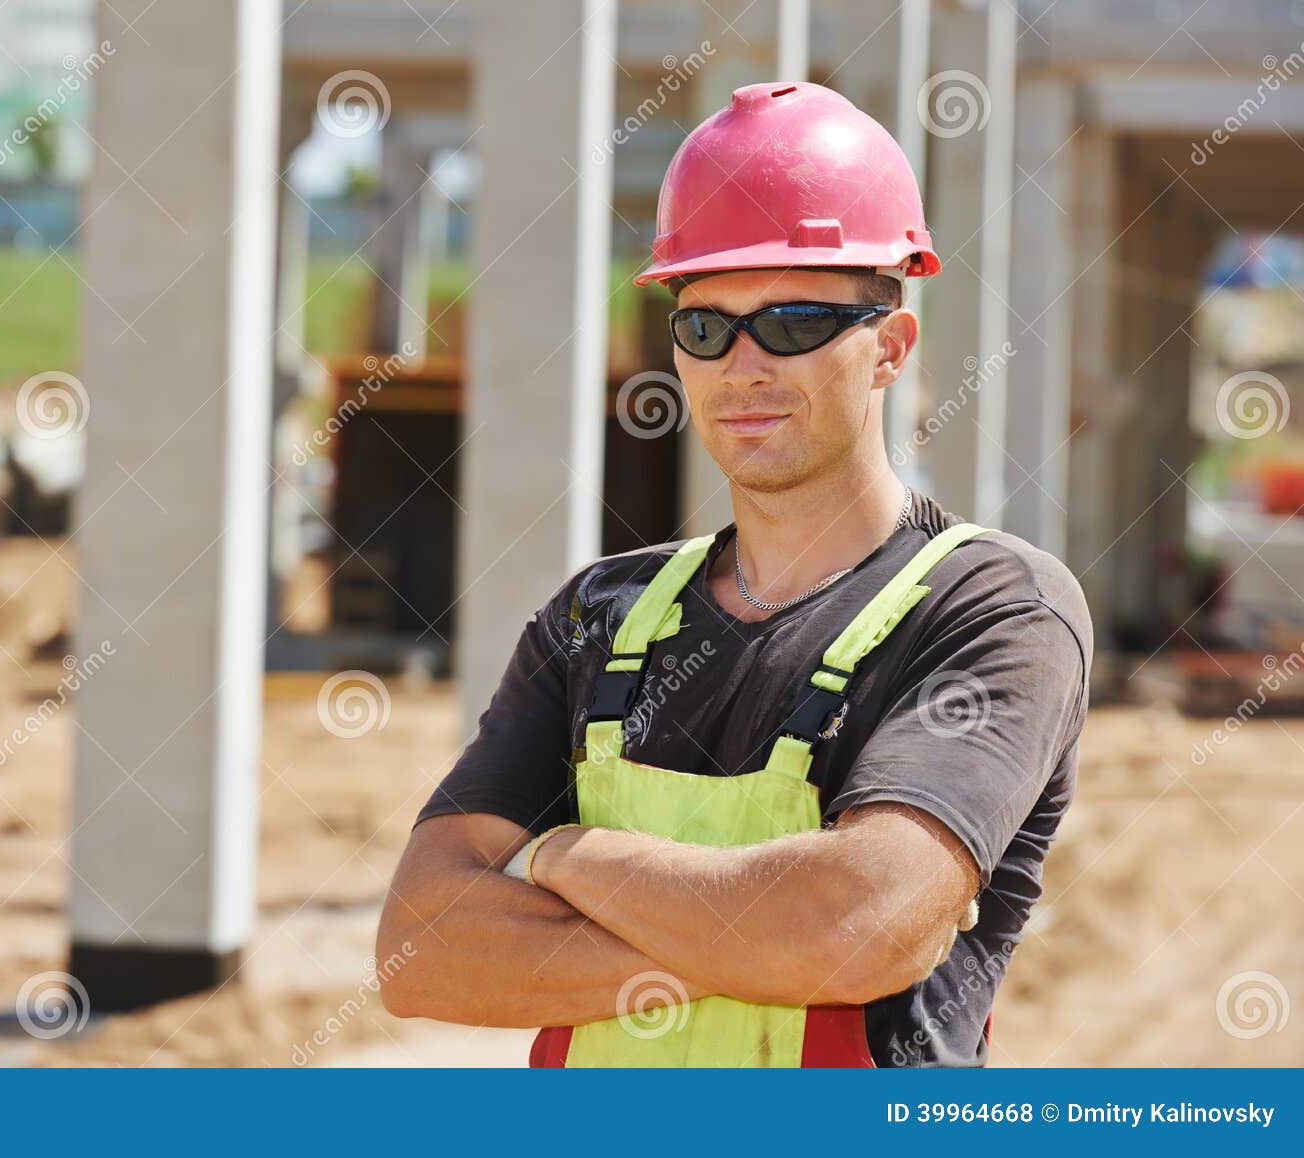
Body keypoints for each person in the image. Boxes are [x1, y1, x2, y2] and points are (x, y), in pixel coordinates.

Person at [376, 81, 1092, 1067]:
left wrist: (554, 856)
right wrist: (763, 937)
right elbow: (417, 956)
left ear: (888, 346)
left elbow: (860, 926)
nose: (743, 366)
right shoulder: (599, 616)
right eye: (706, 327)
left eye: (793, 322)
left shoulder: (990, 609)